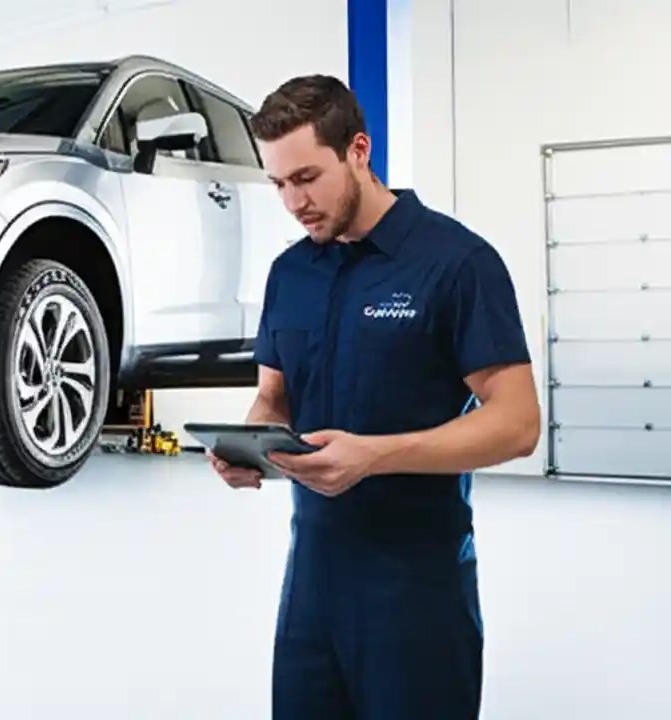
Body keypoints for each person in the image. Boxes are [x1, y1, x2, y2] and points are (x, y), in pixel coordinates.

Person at [208, 74, 541, 719]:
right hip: (310, 583)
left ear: (357, 150)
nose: (292, 202)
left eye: (306, 177)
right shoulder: (291, 271)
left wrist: (373, 456)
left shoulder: (456, 263)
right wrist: (249, 445)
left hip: (417, 587)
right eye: (278, 184)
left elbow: (518, 422)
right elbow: (274, 397)